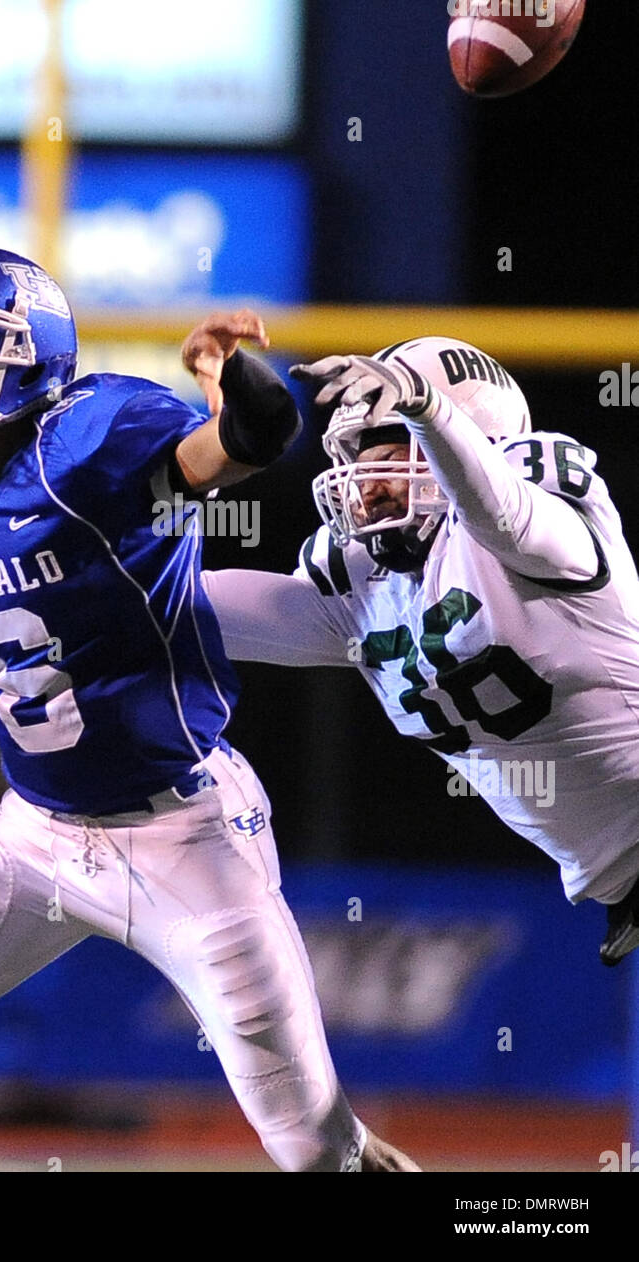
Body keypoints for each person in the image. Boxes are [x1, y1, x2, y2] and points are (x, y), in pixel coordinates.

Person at [0, 245, 419, 1172]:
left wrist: (232, 381)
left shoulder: (95, 437)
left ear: (25, 349)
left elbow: (247, 441)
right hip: (30, 839)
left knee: (315, 1150)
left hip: (188, 834)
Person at [201, 337, 639, 966]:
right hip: (618, 880)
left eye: (391, 458)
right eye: (360, 462)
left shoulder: (543, 525)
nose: (367, 487)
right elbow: (179, 608)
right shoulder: (365, 591)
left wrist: (424, 406)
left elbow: (502, 514)